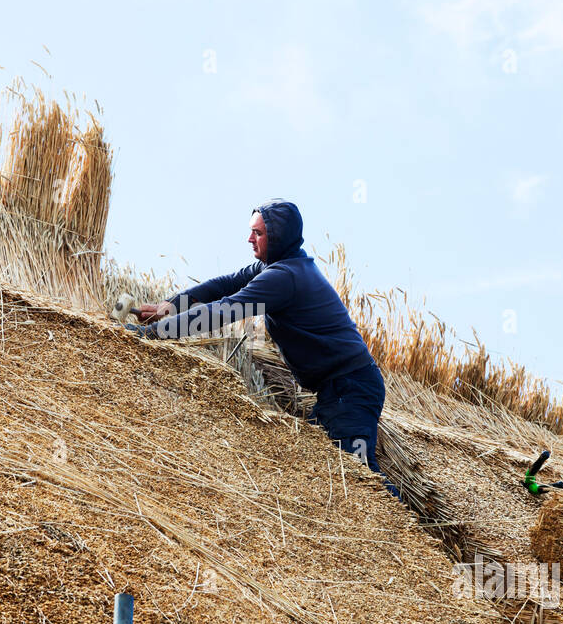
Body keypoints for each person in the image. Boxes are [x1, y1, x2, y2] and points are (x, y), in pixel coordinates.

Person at [130, 200, 401, 499]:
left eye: (257, 233)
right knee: (325, 474)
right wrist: (171, 305)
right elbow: (223, 285)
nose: (249, 239)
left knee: (362, 477)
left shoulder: (284, 278)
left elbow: (224, 310)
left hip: (351, 388)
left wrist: (152, 333)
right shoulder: (278, 267)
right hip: (336, 391)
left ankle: (408, 543)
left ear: (279, 236)